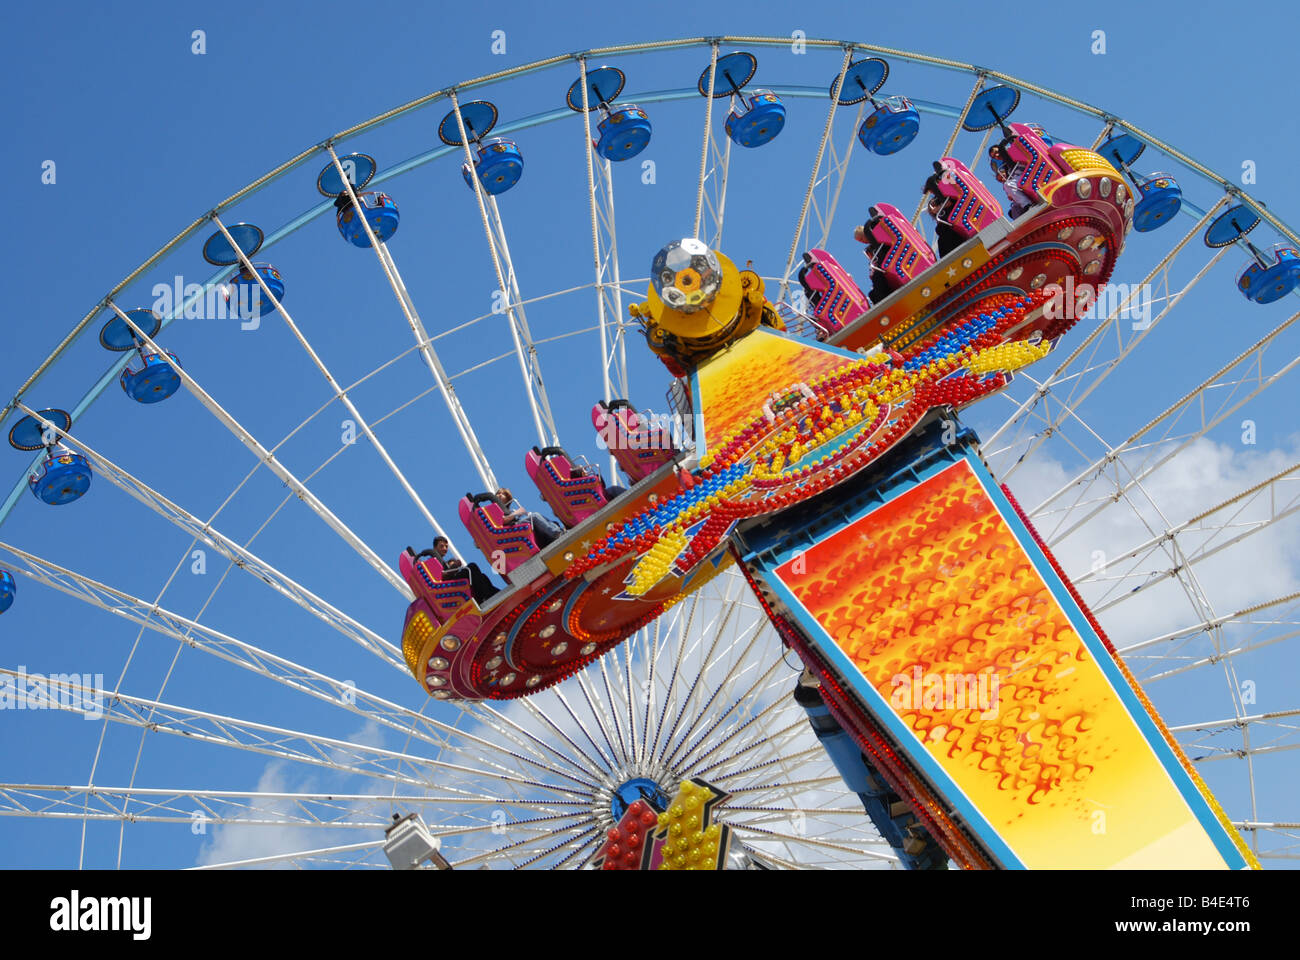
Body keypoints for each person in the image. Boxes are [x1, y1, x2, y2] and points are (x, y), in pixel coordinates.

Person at [415, 536, 499, 603]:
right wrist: (455, 566)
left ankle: (492, 593)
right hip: (447, 586)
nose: (444, 548)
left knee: (482, 576)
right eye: (441, 546)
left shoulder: (442, 562)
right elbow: (442, 576)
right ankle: (484, 596)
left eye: (446, 546)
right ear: (435, 548)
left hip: (451, 581)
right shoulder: (431, 562)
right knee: (471, 567)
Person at [495, 488, 565, 549]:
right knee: (534, 516)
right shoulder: (495, 509)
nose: (500, 495)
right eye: (498, 493)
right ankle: (556, 534)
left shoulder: (510, 510)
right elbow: (502, 521)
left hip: (516, 525)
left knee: (538, 518)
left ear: (508, 498)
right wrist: (516, 513)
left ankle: (557, 530)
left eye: (503, 494)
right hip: (510, 529)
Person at [989, 144, 1034, 219]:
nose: (997, 155)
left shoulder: (1012, 153)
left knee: (1008, 185)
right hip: (1021, 179)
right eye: (994, 156)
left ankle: (1028, 205)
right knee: (1014, 209)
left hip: (1028, 173)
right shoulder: (1006, 167)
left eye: (997, 152)